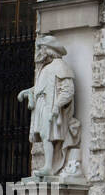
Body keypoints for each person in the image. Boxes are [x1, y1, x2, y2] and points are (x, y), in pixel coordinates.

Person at [18, 36, 81, 178]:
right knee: (44, 135)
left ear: (49, 50)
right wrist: (28, 92)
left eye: (43, 48)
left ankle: (48, 166)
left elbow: (68, 91)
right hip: (42, 105)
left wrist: (56, 106)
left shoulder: (61, 66)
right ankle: (48, 165)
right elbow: (41, 87)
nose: (40, 51)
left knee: (47, 135)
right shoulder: (46, 68)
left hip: (50, 106)